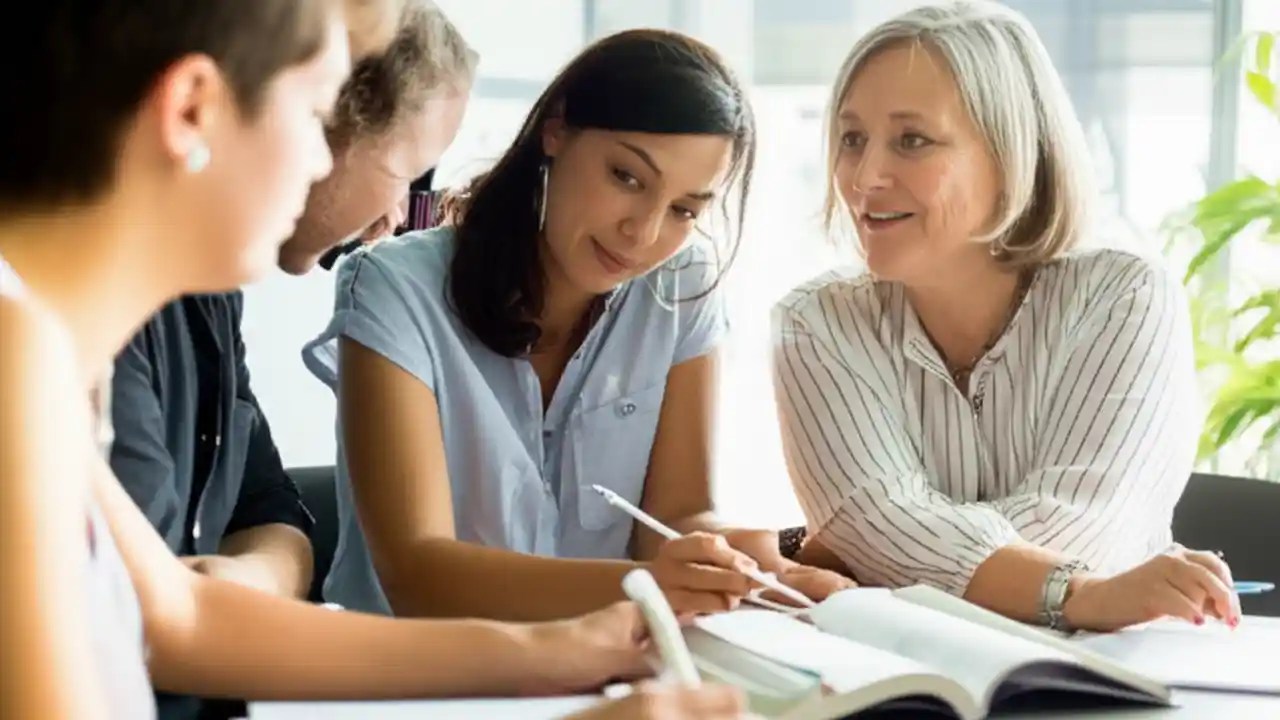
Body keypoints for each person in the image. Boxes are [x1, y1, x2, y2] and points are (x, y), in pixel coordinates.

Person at [0, 2, 741, 718]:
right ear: (192, 110)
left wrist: (555, 650)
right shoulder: (14, 366)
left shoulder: (42, 353)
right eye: (318, 112)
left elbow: (180, 619)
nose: (328, 160)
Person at [303, 28, 855, 622]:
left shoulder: (680, 285)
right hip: (412, 684)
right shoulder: (394, 288)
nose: (642, 234)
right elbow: (420, 573)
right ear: (557, 128)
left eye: (683, 209)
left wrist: (742, 565)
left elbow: (675, 519)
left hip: (595, 671)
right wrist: (647, 586)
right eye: (627, 177)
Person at [772, 0, 1240, 634]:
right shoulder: (814, 324)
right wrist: (1073, 589)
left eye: (912, 140)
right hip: (907, 670)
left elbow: (1087, 533)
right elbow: (874, 522)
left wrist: (874, 555)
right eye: (852, 139)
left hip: (1105, 675)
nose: (864, 177)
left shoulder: (1123, 297)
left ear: (1014, 153)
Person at [107, 3, 475, 716]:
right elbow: (160, 626)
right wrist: (566, 652)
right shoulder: (55, 342)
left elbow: (270, 508)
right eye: (404, 173)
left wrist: (243, 584)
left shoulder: (210, 297)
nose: (399, 217)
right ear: (196, 106)